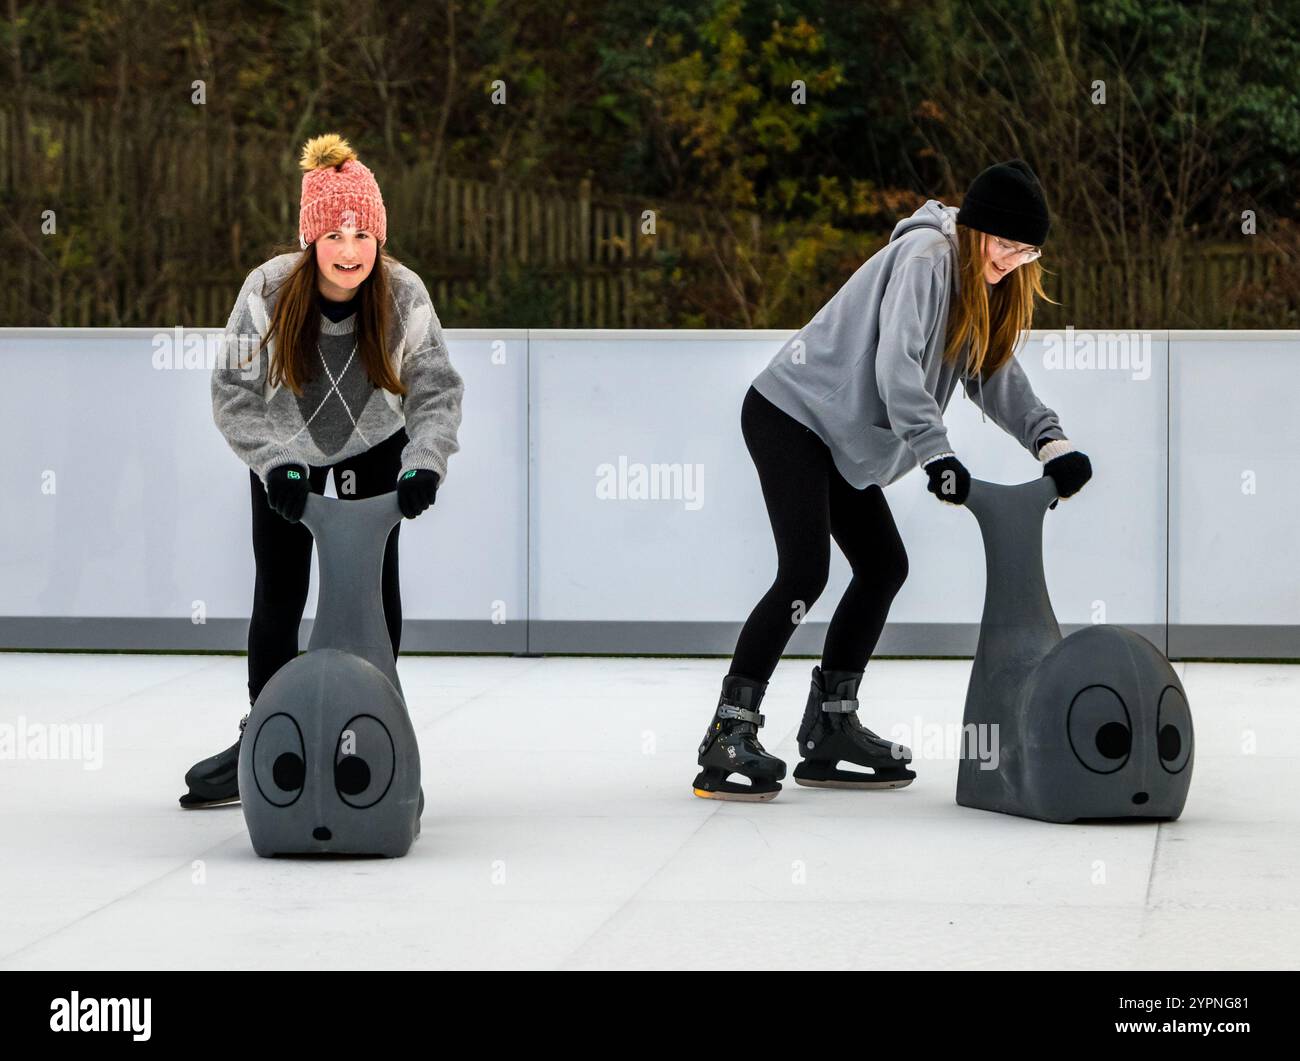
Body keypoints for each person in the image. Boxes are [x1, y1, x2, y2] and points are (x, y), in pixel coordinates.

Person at [693, 159, 1092, 802]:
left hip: (840, 437)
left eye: (1027, 251)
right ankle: (728, 732)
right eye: (1005, 243)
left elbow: (991, 373)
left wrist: (1051, 441)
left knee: (882, 566)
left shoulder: (982, 282)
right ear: (977, 230)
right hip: (791, 414)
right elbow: (895, 362)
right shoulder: (929, 255)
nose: (1013, 259)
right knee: (805, 572)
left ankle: (832, 725)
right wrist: (937, 454)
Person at [180, 133, 464, 808]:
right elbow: (233, 391)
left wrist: (423, 463)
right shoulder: (269, 290)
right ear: (312, 237)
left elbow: (435, 389)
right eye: (335, 232)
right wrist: (274, 463)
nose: (350, 248)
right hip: (285, 460)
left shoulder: (402, 293)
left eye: (363, 232)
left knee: (370, 594)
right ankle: (270, 737)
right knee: (279, 590)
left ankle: (374, 732)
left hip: (375, 449)